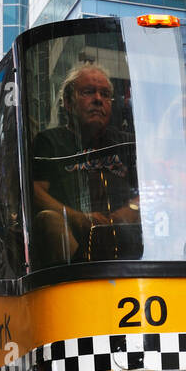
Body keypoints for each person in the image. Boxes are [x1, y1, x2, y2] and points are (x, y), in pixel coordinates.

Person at [32, 64, 141, 264]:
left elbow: (152, 187)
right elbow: (35, 192)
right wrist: (77, 218)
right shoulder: (49, 141)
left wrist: (129, 211)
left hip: (124, 234)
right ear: (68, 102)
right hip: (74, 236)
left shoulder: (126, 141)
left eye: (105, 94)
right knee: (49, 219)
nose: (98, 100)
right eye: (88, 92)